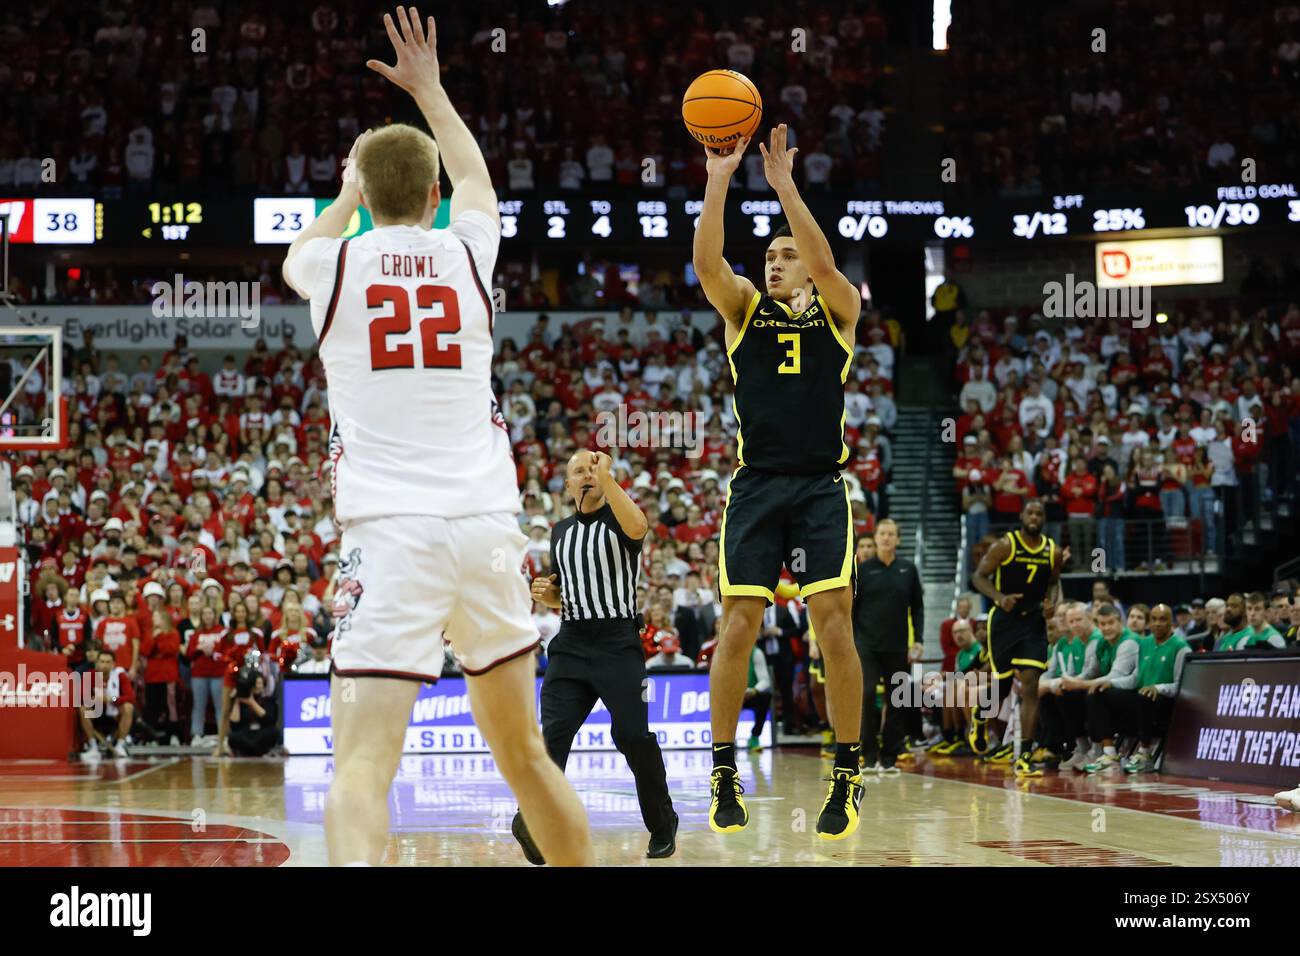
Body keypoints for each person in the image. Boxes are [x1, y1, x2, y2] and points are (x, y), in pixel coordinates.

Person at [281, 7, 591, 867]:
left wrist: (345, 196)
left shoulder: (333, 262)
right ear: (433, 198)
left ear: (365, 200)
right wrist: (431, 90)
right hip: (487, 529)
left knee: (362, 766)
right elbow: (478, 178)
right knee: (525, 757)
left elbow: (298, 251)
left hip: (392, 536)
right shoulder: (467, 251)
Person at [693, 123, 865, 839]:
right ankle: (723, 770)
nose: (776, 263)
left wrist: (786, 188)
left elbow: (824, 262)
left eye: (786, 256)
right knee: (738, 623)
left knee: (833, 622)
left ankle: (847, 772)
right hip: (757, 485)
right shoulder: (743, 309)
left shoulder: (840, 309)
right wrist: (718, 180)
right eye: (769, 255)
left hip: (821, 486)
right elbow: (707, 263)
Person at [513, 450, 677, 864]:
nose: (587, 475)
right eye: (578, 472)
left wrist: (609, 478)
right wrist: (548, 595)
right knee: (552, 737)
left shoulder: (620, 518)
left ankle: (663, 824)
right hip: (571, 644)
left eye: (593, 468)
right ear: (568, 486)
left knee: (634, 738)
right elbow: (565, 594)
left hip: (618, 644)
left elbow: (639, 527)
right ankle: (533, 821)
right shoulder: (560, 532)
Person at [970, 499, 1066, 777]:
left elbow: (1053, 583)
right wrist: (1000, 597)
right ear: (1022, 516)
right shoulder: (1005, 545)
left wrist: (1051, 604)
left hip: (1033, 622)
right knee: (1001, 687)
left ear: (1044, 519)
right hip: (1004, 621)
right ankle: (980, 716)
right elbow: (978, 577)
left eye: (1039, 513)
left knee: (1030, 684)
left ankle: (1024, 755)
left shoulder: (1053, 551)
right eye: (1030, 512)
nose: (1034, 517)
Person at [852, 519, 924, 772]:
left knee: (897, 700)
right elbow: (852, 609)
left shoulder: (908, 569)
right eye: (882, 533)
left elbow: (917, 607)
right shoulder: (862, 570)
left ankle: (890, 757)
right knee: (867, 694)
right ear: (876, 537)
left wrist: (918, 640)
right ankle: (869, 755)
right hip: (867, 646)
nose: (886, 538)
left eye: (891, 534)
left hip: (897, 646)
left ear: (898, 539)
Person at [78, 649, 135, 760]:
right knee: (83, 709)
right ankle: (93, 747)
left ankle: (120, 745)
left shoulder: (120, 676)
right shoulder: (90, 675)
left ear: (113, 664)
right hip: (96, 713)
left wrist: (112, 699)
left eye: (108, 662)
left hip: (114, 714)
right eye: (102, 662)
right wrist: (94, 699)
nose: (105, 665)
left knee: (128, 707)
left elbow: (130, 696)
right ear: (97, 663)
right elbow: (81, 696)